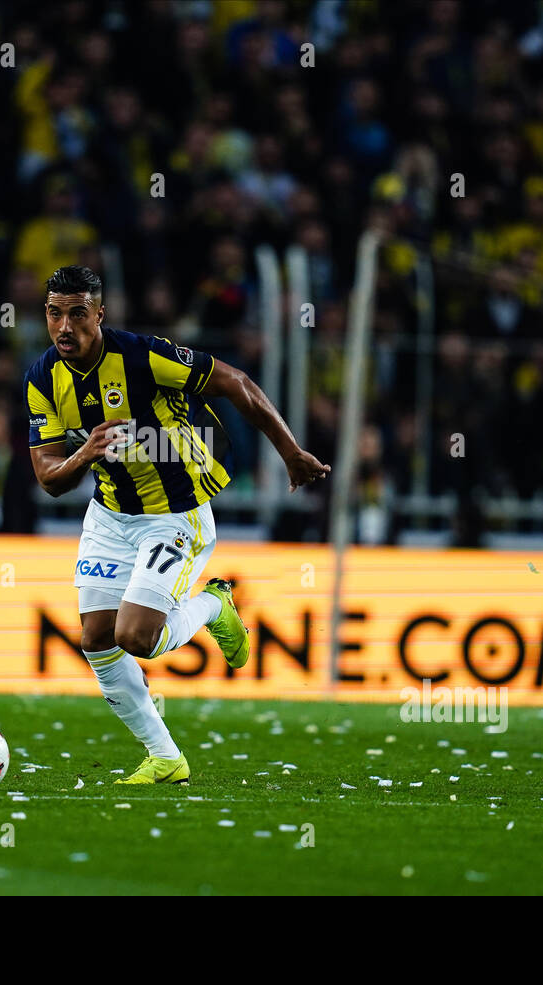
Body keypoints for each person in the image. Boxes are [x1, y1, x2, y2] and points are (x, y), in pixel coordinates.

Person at [24, 265, 329, 784]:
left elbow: (236, 382)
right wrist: (86, 453)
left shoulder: (145, 356)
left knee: (136, 637)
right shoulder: (42, 377)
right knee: (96, 639)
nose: (65, 327)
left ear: (100, 313)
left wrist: (290, 452)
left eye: (78, 313)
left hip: (174, 513)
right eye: (55, 314)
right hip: (108, 514)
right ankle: (165, 757)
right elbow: (49, 478)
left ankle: (213, 604)